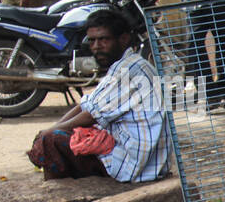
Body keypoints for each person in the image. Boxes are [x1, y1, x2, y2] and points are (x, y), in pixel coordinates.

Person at [26, 9, 170, 183]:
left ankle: (58, 195)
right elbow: (87, 104)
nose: (96, 46)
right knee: (52, 136)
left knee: (51, 141)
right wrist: (54, 127)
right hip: (138, 157)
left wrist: (49, 133)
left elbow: (89, 115)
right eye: (92, 41)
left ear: (123, 39)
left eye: (103, 40)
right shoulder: (128, 64)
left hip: (133, 164)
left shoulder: (128, 70)